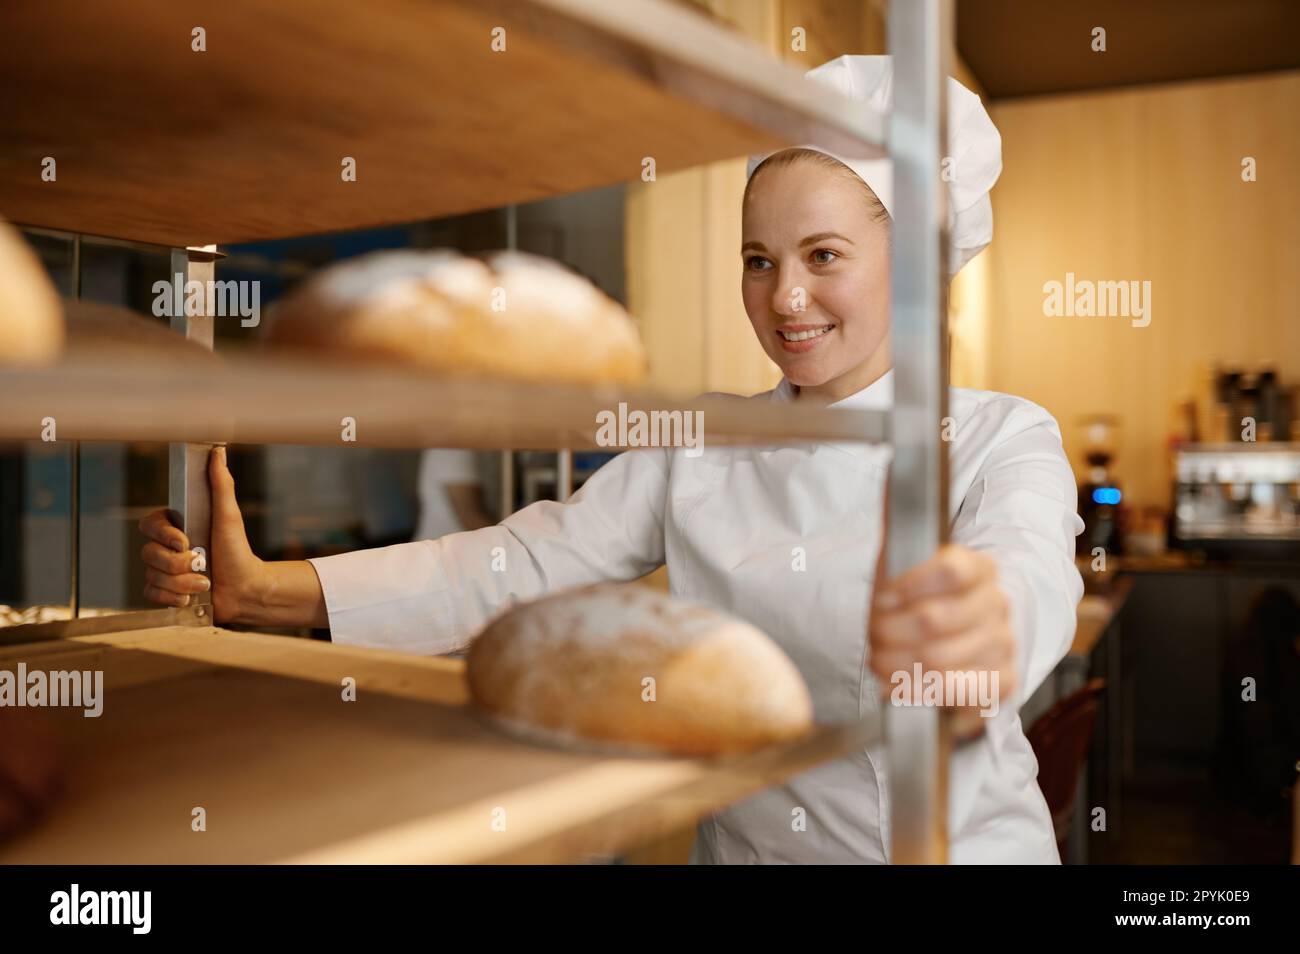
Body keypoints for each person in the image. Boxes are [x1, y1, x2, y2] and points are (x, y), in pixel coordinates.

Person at [138, 55, 1084, 864]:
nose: (786, 297)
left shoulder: (1003, 434)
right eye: (758, 260)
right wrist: (262, 591)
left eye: (823, 255)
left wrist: (984, 625)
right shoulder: (708, 436)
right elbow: (528, 561)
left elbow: (1029, 571)